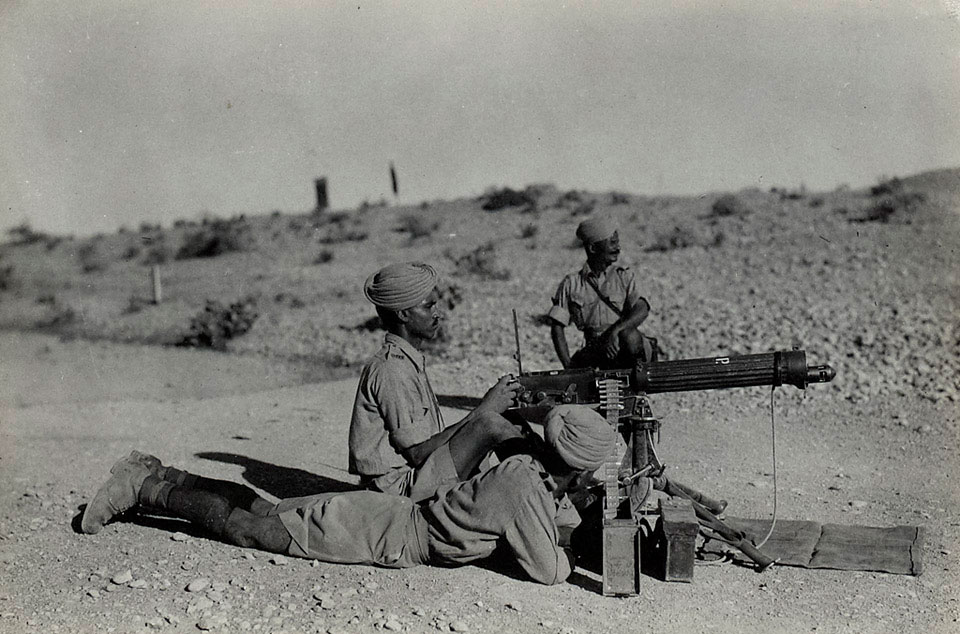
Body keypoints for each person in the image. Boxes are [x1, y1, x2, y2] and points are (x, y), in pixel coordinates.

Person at [79, 405, 619, 586]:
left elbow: (542, 510)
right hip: (384, 534)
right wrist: (575, 549)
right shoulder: (525, 487)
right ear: (575, 469)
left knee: (263, 508)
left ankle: (163, 472)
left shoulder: (526, 470)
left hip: (389, 514)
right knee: (248, 529)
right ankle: (142, 488)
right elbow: (549, 570)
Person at [349, 262, 524, 502]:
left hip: (416, 476)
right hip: (396, 490)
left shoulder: (407, 360)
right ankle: (546, 487)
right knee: (490, 423)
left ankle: (544, 484)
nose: (437, 313)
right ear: (403, 314)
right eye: (428, 306)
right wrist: (483, 409)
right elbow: (417, 453)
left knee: (509, 419)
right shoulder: (392, 369)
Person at [547, 217, 661, 370]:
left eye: (617, 242)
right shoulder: (571, 283)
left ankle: (636, 380)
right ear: (593, 248)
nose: (618, 248)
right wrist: (568, 366)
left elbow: (642, 308)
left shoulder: (623, 277)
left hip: (625, 345)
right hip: (596, 350)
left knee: (630, 336)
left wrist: (616, 331)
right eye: (612, 243)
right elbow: (557, 326)